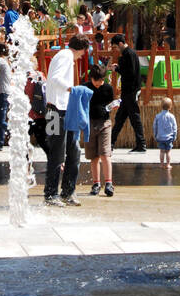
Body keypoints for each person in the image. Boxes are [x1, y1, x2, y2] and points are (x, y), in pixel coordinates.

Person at [44, 35, 90, 204]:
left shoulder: (63, 55)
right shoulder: (66, 56)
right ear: (81, 49)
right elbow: (55, 78)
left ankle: (67, 192)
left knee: (73, 150)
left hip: (62, 110)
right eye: (84, 52)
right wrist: (71, 88)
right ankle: (51, 194)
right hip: (57, 111)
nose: (82, 56)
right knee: (57, 153)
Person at [110, 33, 146, 152]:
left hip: (131, 90)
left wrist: (117, 69)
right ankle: (110, 142)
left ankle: (141, 144)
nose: (115, 49)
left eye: (115, 47)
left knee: (134, 117)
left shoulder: (128, 54)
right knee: (120, 118)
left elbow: (130, 73)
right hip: (128, 91)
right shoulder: (129, 53)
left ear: (120, 44)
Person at [86, 64, 117, 197]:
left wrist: (113, 106)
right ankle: (96, 183)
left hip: (104, 123)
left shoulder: (108, 88)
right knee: (93, 156)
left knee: (105, 153)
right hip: (89, 123)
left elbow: (109, 104)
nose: (99, 83)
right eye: (96, 80)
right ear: (91, 78)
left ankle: (109, 183)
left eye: (101, 80)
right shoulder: (86, 88)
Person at [153, 97, 178, 166]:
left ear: (161, 106)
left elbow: (155, 126)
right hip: (169, 137)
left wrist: (155, 135)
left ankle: (161, 164)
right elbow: (174, 127)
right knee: (168, 152)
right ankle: (168, 164)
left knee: (162, 151)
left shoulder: (157, 116)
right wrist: (174, 135)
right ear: (170, 107)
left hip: (160, 137)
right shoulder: (172, 116)